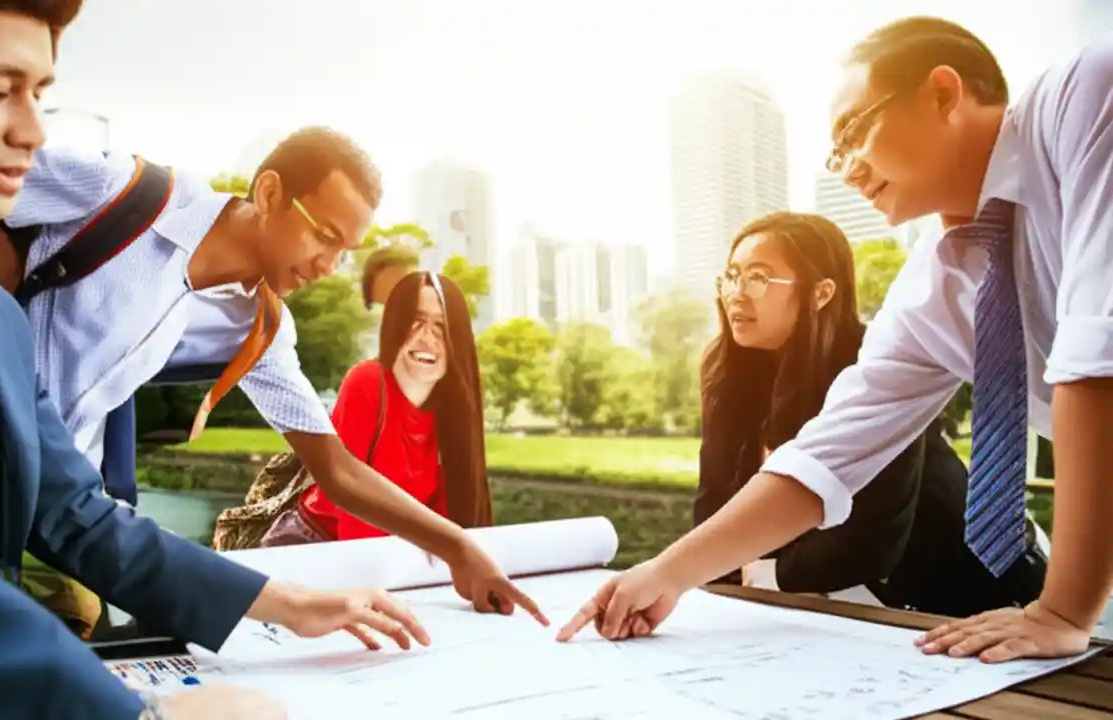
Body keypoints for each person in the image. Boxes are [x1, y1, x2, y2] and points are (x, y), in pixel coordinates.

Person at [0, 3, 428, 718]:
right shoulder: (118, 202)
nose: (31, 132)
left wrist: (285, 604)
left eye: (40, 95)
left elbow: (75, 515)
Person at [560, 17, 1113, 663]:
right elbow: (823, 459)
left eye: (853, 132)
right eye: (835, 152)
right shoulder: (931, 289)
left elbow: (1097, 357)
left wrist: (1061, 610)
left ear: (941, 93)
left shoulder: (1085, 98)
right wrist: (667, 574)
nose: (848, 169)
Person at [0, 130, 544, 624]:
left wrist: (458, 549)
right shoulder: (121, 193)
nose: (329, 267)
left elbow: (338, 470)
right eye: (323, 235)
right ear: (270, 192)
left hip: (58, 524)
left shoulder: (260, 326)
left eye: (344, 252)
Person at [695, 211, 1045, 616]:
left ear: (821, 292)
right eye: (732, 276)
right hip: (849, 598)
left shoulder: (870, 363)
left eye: (758, 277)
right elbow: (715, 500)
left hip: (977, 591)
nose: (736, 293)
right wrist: (706, 585)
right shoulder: (726, 369)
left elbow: (873, 537)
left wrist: (771, 575)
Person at [261, 271, 493, 545]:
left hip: (393, 549)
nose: (427, 339)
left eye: (441, 327)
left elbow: (448, 519)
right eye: (416, 322)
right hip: (319, 542)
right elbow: (351, 501)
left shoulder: (452, 409)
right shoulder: (367, 382)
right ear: (396, 325)